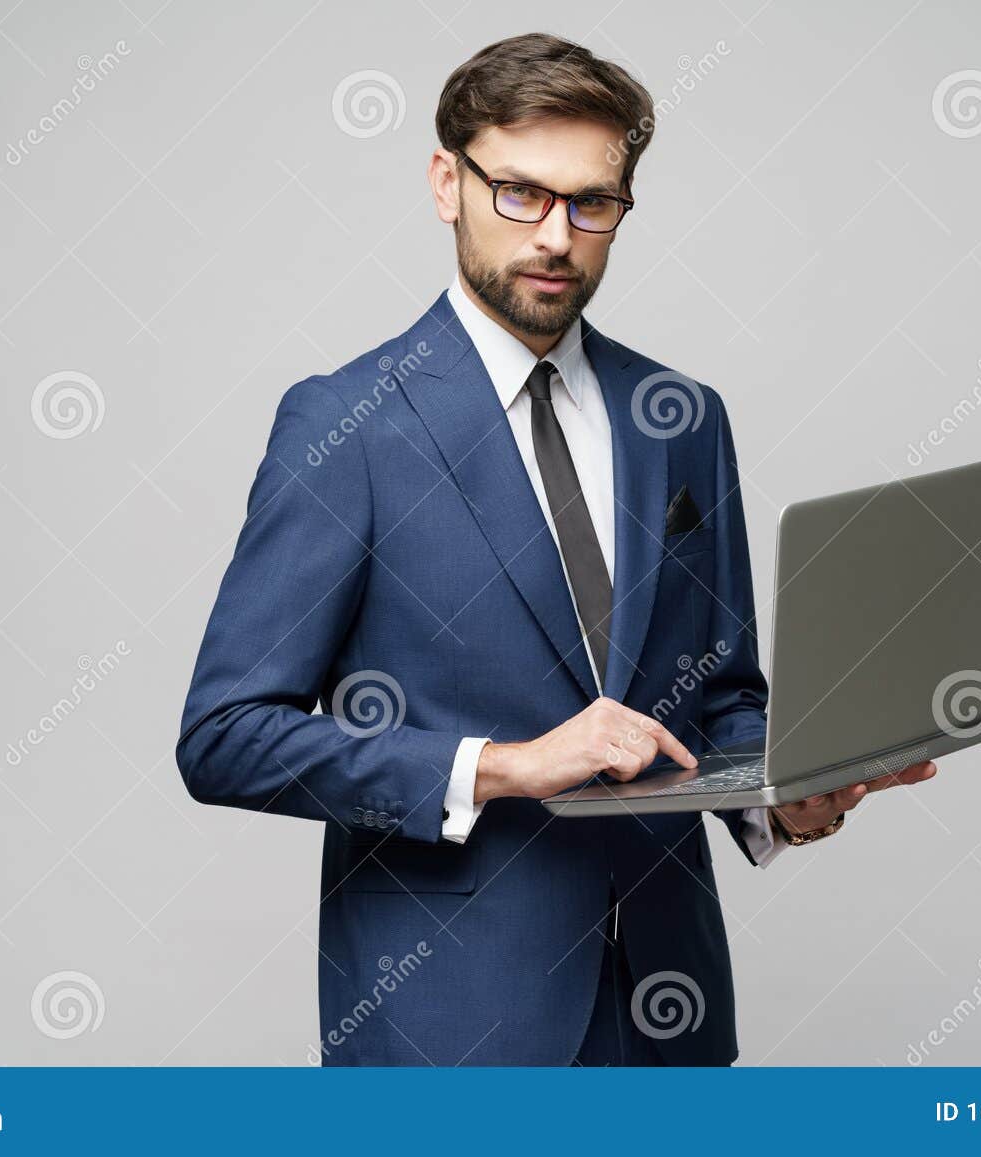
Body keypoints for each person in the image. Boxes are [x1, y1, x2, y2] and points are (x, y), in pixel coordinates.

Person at [177, 32, 936, 1066]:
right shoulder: (345, 426)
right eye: (521, 195)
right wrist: (504, 767)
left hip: (668, 1011)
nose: (556, 236)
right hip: (448, 1028)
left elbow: (720, 697)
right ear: (447, 182)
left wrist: (786, 796)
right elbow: (224, 734)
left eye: (592, 203)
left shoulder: (681, 418)